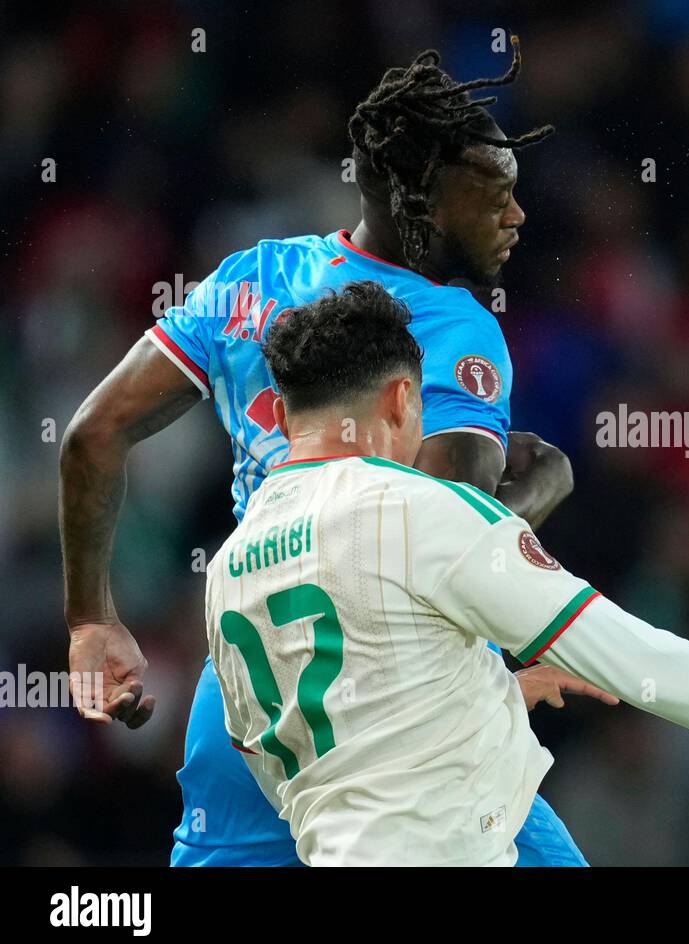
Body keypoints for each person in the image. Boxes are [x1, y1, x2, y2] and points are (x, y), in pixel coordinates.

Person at [58, 38, 606, 867]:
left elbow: (92, 434)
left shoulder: (248, 278)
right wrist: (541, 490)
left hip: (250, 688)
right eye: (492, 195)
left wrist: (92, 619)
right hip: (401, 699)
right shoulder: (453, 327)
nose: (517, 216)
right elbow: (435, 534)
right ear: (418, 197)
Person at [204, 280, 689, 865]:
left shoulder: (230, 567)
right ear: (401, 397)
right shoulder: (420, 510)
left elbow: (285, 752)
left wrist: (482, 696)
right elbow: (635, 656)